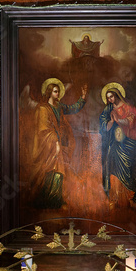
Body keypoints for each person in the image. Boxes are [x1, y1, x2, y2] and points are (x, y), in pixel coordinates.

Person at [31, 77, 87, 209]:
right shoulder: (43, 108)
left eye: (58, 91)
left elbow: (73, 108)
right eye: (55, 91)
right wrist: (55, 142)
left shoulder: (59, 106)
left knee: (59, 168)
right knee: (52, 168)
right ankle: (49, 198)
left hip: (58, 144)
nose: (58, 94)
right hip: (47, 145)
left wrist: (83, 98)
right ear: (49, 92)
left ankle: (55, 198)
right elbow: (43, 129)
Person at [99, 83, 136, 209]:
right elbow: (104, 125)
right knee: (112, 168)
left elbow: (132, 122)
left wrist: (118, 120)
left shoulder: (128, 107)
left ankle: (129, 198)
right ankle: (114, 198)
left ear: (117, 95)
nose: (110, 100)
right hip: (115, 144)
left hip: (128, 143)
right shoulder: (108, 109)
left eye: (111, 96)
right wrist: (111, 122)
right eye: (108, 98)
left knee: (127, 172)